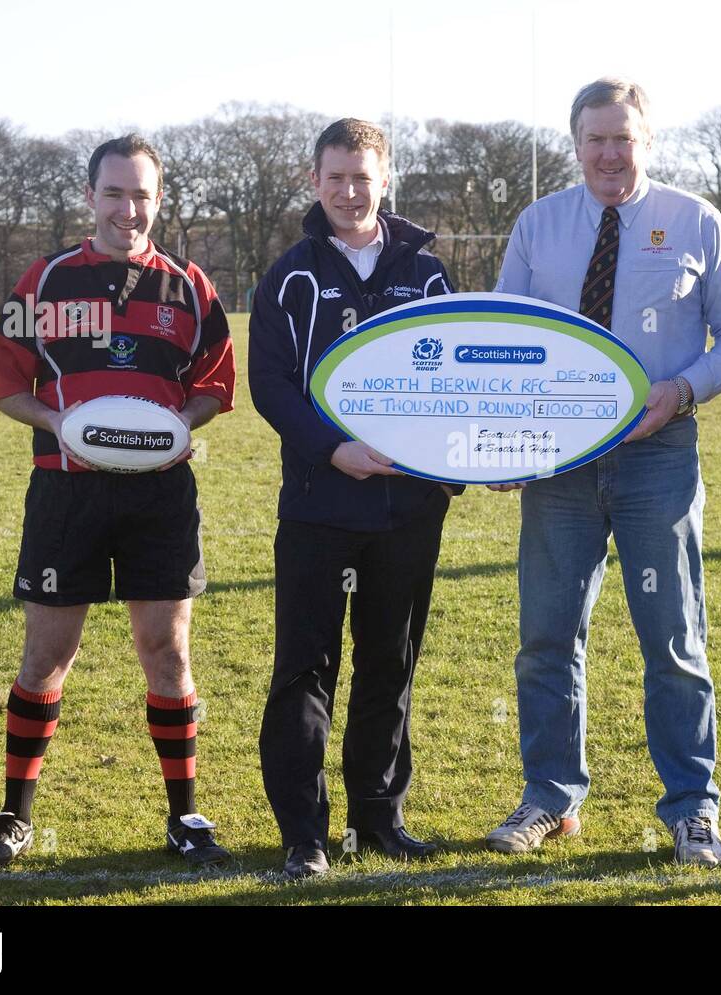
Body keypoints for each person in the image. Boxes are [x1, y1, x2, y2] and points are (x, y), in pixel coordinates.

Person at [485, 78, 721, 865]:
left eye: (624, 138)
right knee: (546, 636)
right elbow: (504, 338)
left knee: (673, 637)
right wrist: (509, 440)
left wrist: (683, 389)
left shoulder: (695, 221)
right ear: (574, 144)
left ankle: (691, 808)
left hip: (659, 454)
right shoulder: (539, 224)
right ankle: (549, 796)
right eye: (596, 139)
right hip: (560, 461)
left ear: (649, 140)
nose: (610, 153)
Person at [0, 134, 236, 869]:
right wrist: (58, 422)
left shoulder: (188, 285)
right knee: (47, 654)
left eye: (142, 194)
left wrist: (182, 424)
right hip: (66, 489)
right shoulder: (47, 280)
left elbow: (216, 381)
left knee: (167, 651)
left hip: (160, 494)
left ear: (159, 198)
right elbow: (4, 383)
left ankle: (185, 817)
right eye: (114, 193)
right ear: (90, 196)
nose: (128, 208)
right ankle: (14, 815)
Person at [251, 119, 458, 880]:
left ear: (385, 178)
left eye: (361, 177)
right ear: (315, 181)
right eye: (335, 177)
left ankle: (379, 818)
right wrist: (333, 449)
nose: (348, 191)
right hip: (317, 505)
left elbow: (460, 381)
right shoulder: (291, 275)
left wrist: (461, 464)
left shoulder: (429, 273)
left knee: (389, 662)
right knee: (305, 667)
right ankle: (303, 832)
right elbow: (270, 383)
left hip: (407, 509)